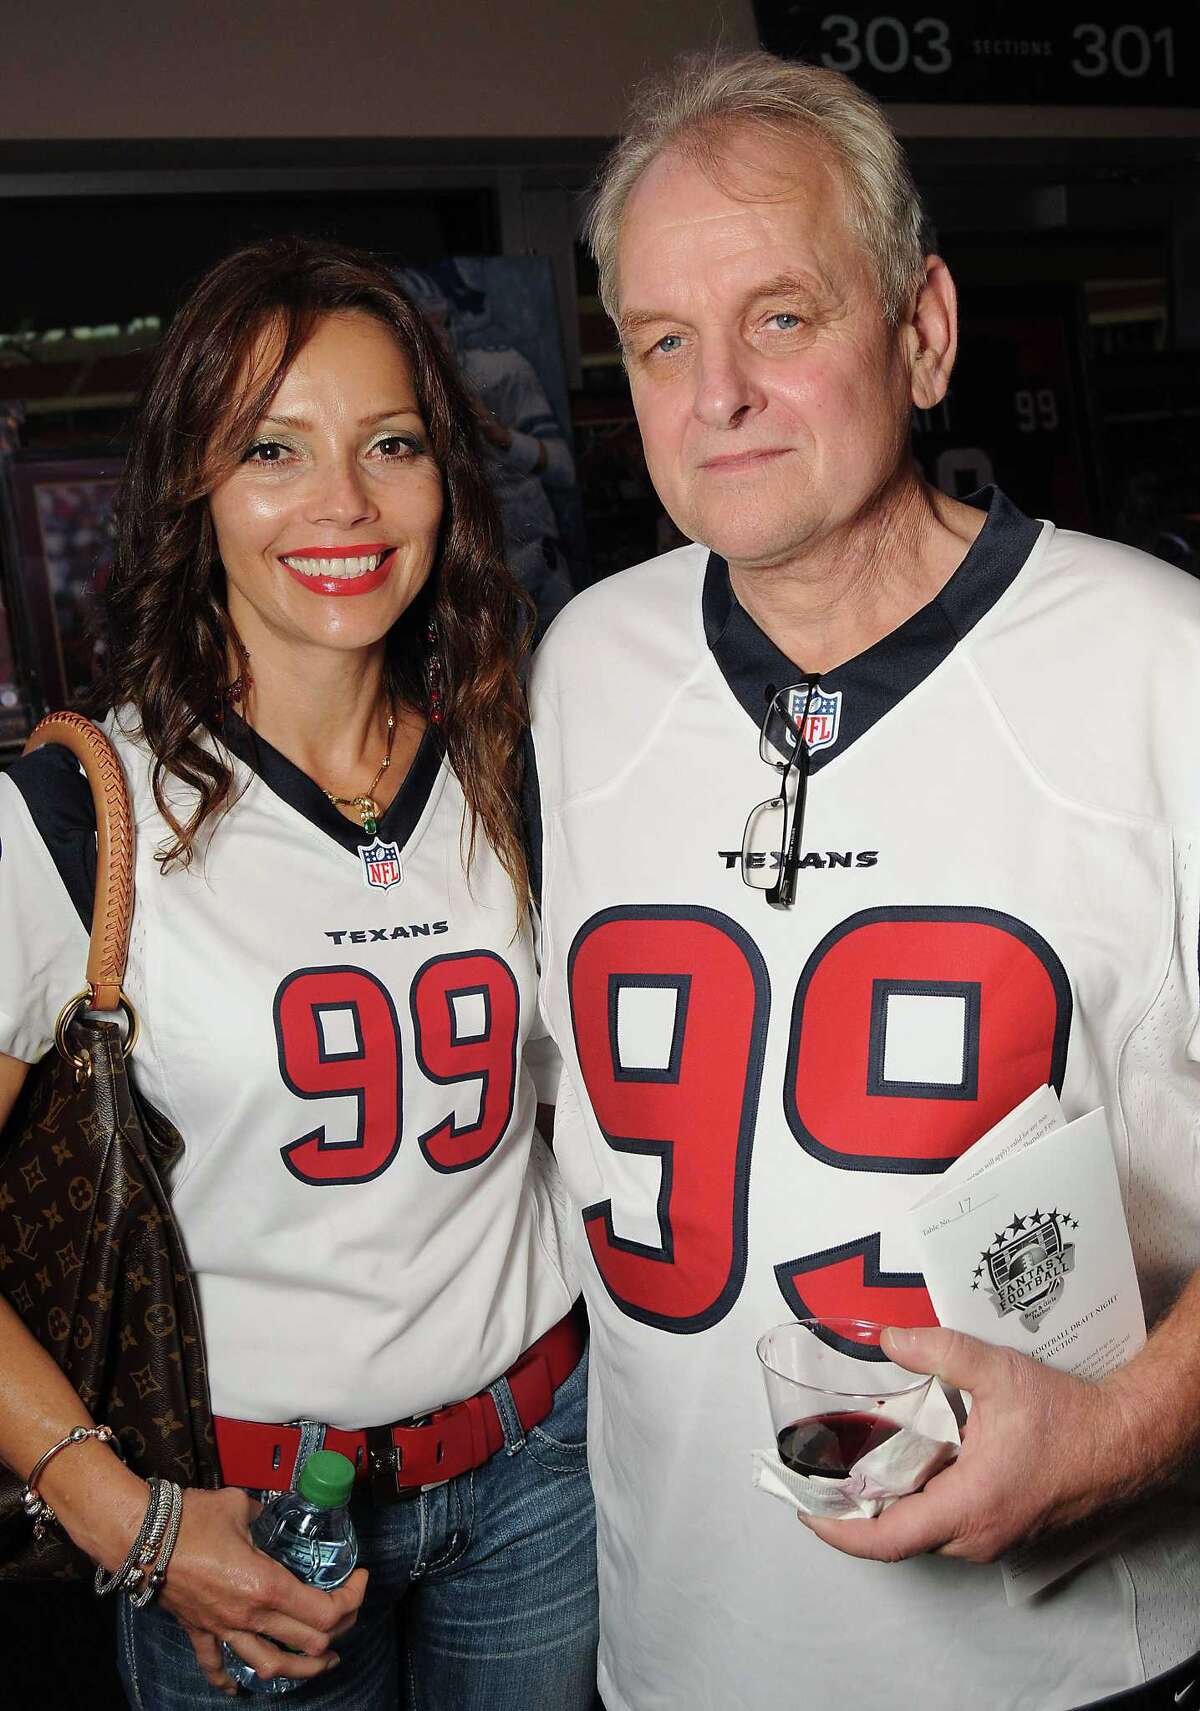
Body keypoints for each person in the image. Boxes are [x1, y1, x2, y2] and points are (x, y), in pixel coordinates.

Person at [525, 49, 1200, 1711]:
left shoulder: (1154, 661)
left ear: (924, 330)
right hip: (673, 1659)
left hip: (1069, 1673)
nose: (716, 396)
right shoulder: (586, 667)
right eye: (662, 341)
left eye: (779, 317)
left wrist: (1123, 1430)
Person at [0, 237, 597, 1709]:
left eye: (389, 443)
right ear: (193, 488)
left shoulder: (526, 762)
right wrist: (116, 1513)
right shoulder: (83, 814)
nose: (342, 502)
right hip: (249, 1523)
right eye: (273, 448)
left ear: (447, 477)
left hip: (542, 1484)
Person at [396, 264, 577, 632]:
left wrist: (499, 435)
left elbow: (564, 469)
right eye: (424, 330)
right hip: (458, 592)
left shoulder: (498, 374)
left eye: (441, 324)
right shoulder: (388, 398)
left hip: (535, 566)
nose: (440, 339)